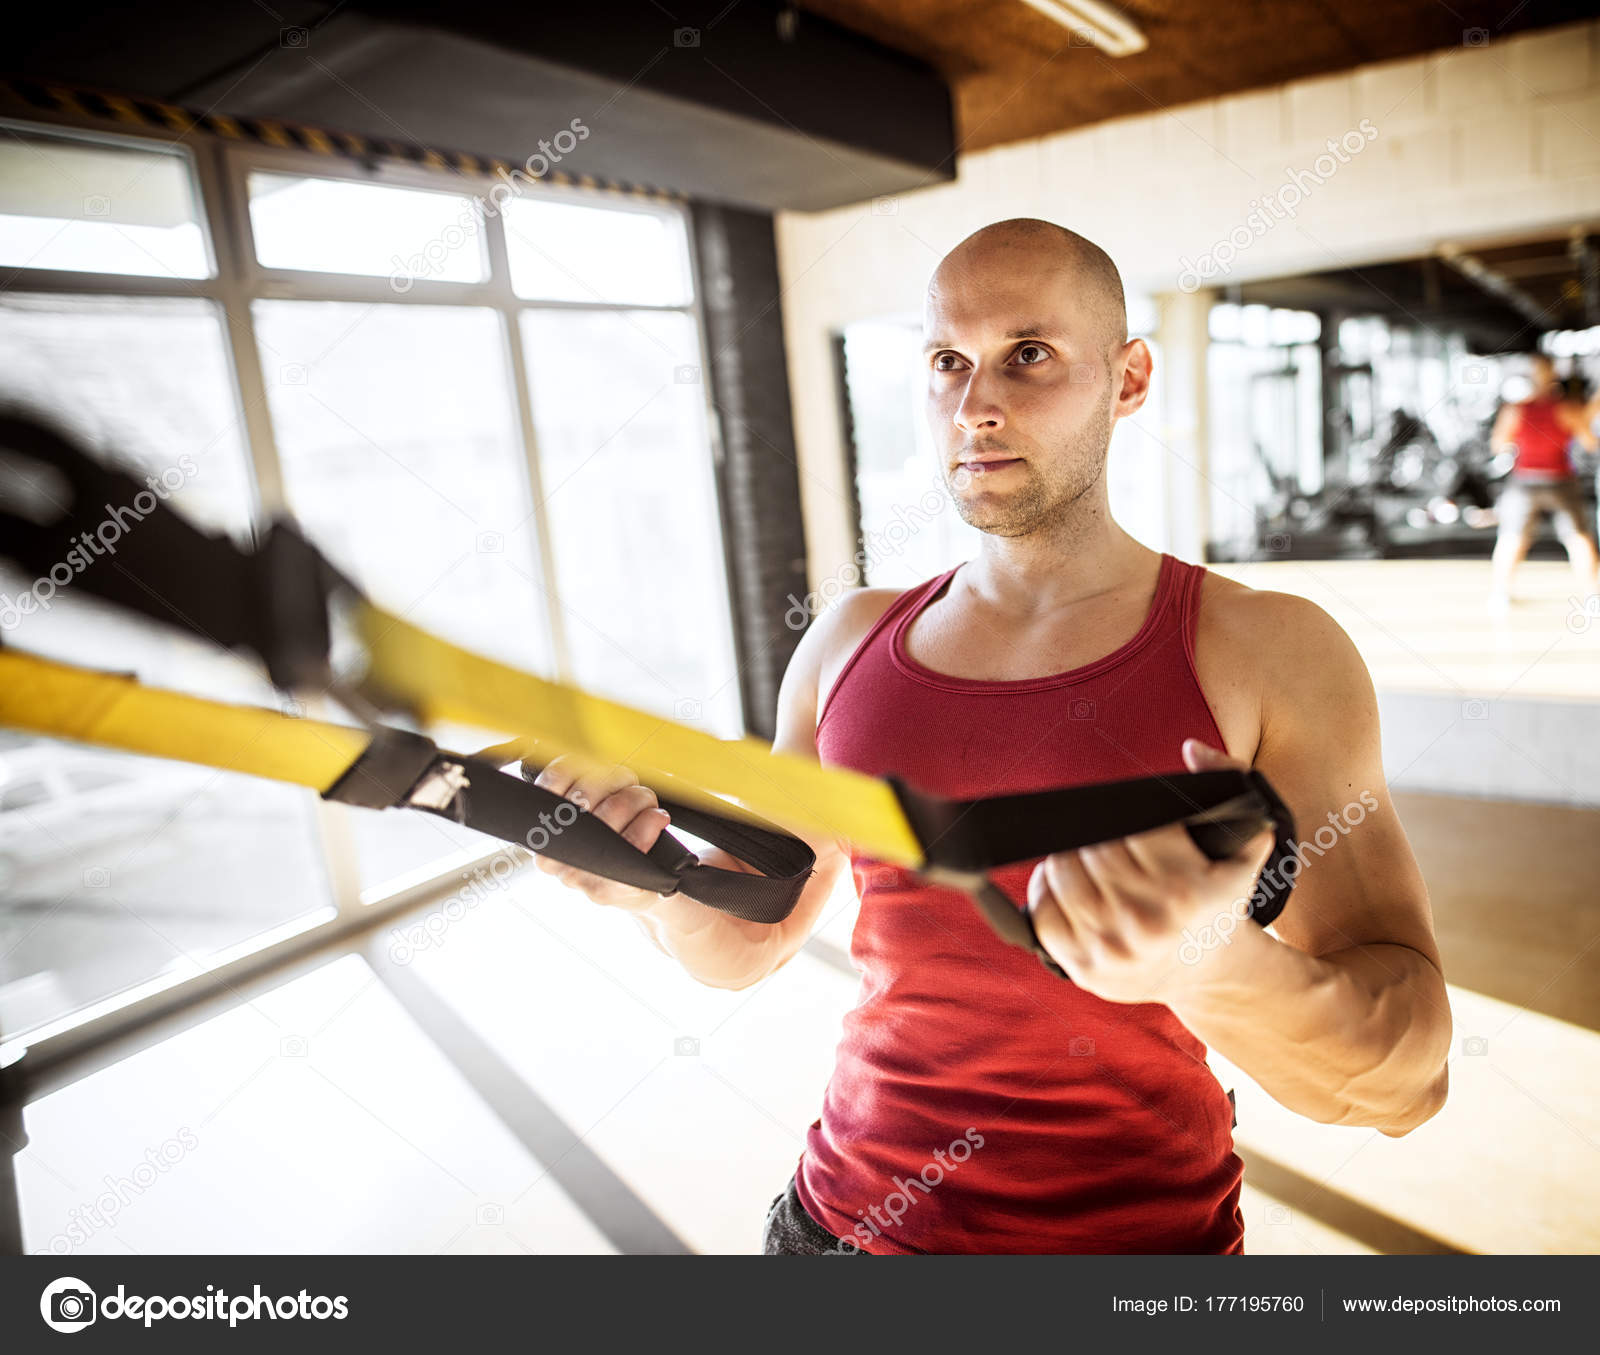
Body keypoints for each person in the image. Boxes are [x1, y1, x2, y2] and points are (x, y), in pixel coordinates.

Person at [530, 218, 1450, 1255]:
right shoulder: (845, 640)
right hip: (839, 1232)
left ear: (1129, 377)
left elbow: (1405, 1083)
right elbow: (748, 937)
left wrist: (1204, 961)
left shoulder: (1270, 648)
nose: (977, 404)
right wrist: (648, 878)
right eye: (945, 361)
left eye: (1028, 354)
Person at [1486, 353, 1600, 610]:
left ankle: (1500, 594)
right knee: (1578, 537)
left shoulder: (1516, 409)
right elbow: (1590, 442)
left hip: (1524, 480)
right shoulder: (1566, 409)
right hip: (1560, 479)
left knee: (1512, 537)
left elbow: (1498, 444)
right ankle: (1593, 598)